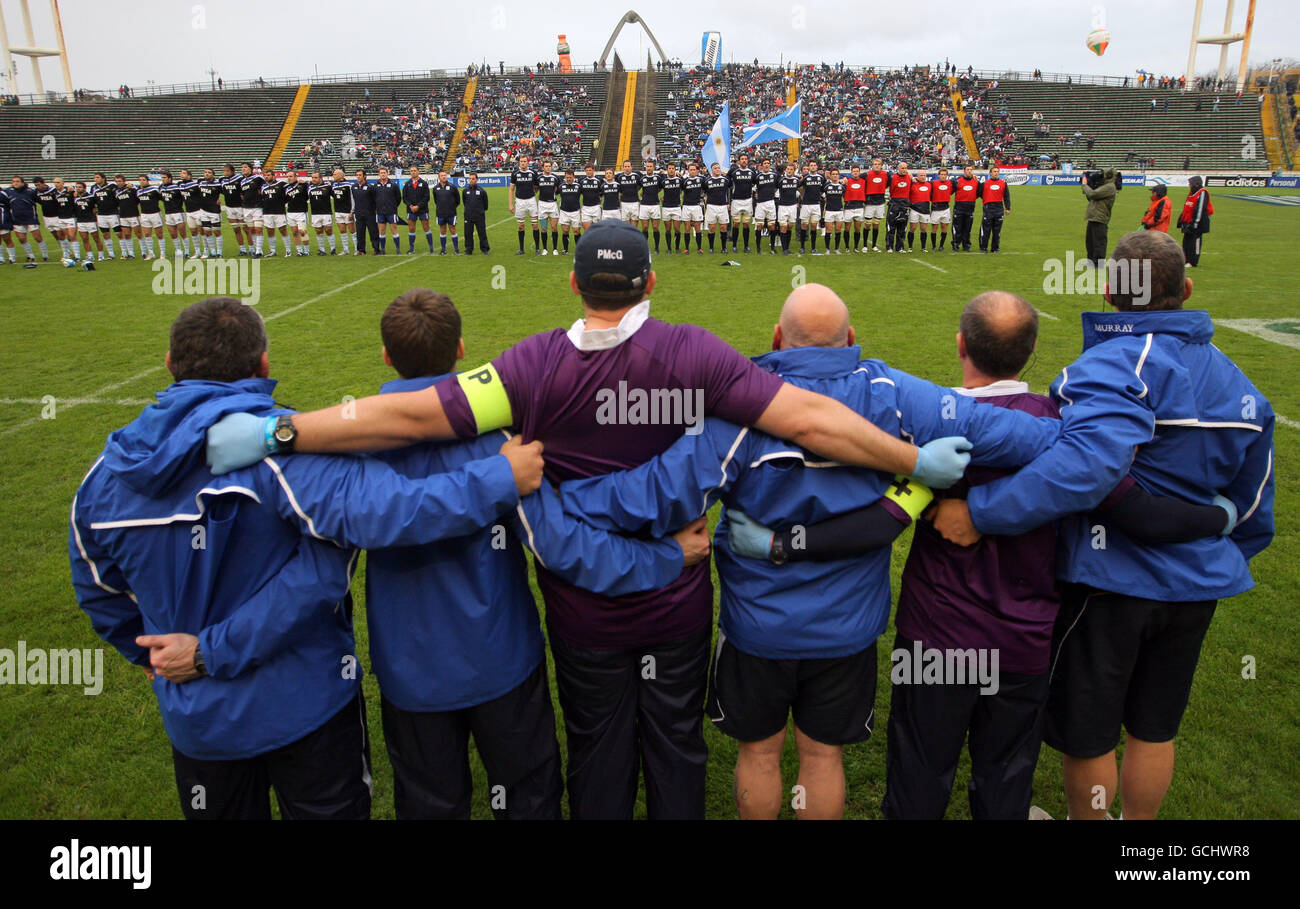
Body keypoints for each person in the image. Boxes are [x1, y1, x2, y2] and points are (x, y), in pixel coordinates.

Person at [204, 222, 976, 819]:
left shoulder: (529, 366)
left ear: (573, 282)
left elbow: (408, 416)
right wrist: (913, 468)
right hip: (677, 596)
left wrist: (285, 429)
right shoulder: (695, 354)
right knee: (674, 745)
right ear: (652, 282)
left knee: (598, 746)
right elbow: (809, 416)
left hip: (582, 609)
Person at [553, 284, 1063, 820]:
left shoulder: (741, 402)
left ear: (776, 337)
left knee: (760, 752)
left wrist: (558, 490)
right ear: (852, 339)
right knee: (823, 757)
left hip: (760, 626)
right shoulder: (894, 393)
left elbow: (655, 495)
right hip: (845, 629)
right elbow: (1024, 437)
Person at [732, 292, 1237, 820]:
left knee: (918, 772)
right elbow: (1126, 501)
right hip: (1023, 638)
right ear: (1034, 350)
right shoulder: (1068, 438)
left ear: (959, 345)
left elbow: (888, 516)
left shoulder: (923, 420)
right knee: (1005, 774)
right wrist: (1216, 518)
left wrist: (779, 545)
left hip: (937, 634)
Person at [70, 296, 547, 819]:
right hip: (307, 705)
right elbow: (364, 531)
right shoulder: (288, 454)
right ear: (263, 364)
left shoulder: (100, 481)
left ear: (168, 362)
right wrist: (500, 474)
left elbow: (100, 590)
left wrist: (155, 653)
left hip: (201, 716)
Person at [933, 231, 1275, 820]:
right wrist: (1205, 549)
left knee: (1090, 732)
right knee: (1154, 727)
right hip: (1197, 587)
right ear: (1186, 290)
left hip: (1112, 584)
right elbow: (1252, 513)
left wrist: (981, 512)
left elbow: (1082, 469)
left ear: (1110, 291)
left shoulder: (1116, 362)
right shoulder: (1242, 386)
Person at [365, 289, 709, 818]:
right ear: (462, 350)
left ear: (386, 355)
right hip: (500, 661)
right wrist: (666, 557)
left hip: (410, 672)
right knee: (527, 797)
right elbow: (561, 546)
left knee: (431, 801)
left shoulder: (355, 444)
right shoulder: (503, 447)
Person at [1081, 168, 1120, 267]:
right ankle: (1091, 261)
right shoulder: (1104, 186)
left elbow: (1092, 194)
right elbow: (1090, 197)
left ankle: (1098, 263)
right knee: (1090, 241)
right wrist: (1089, 185)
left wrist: (1084, 185)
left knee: (1099, 241)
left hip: (1100, 217)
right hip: (1093, 216)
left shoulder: (1110, 187)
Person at [1177, 175, 1213, 267]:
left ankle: (1193, 262)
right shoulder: (1191, 193)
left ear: (1196, 184)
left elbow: (1200, 209)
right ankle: (1185, 260)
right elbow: (1187, 207)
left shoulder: (1202, 193)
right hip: (1188, 222)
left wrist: (1195, 223)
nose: (1189, 185)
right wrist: (1181, 220)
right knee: (1186, 242)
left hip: (1198, 224)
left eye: (1191, 183)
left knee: (1195, 242)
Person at [507, 155, 539, 254]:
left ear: (528, 162)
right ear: (519, 162)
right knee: (521, 226)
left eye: (525, 161)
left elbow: (537, 187)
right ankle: (521, 249)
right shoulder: (515, 173)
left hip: (531, 201)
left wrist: (533, 194)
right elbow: (511, 190)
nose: (523, 163)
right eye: (521, 161)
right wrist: (511, 204)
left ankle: (537, 248)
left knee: (535, 225)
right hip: (520, 201)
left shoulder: (533, 173)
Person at [977, 165, 1009, 253]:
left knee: (997, 230)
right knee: (986, 229)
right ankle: (983, 247)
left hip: (999, 208)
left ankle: (995, 248)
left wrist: (1007, 208)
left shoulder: (1003, 183)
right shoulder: (985, 183)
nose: (996, 173)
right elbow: (979, 194)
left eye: (997, 171)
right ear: (990, 173)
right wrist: (986, 200)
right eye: (994, 171)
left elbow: (1006, 196)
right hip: (988, 208)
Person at [402, 165, 433, 254]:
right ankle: (411, 249)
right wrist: (410, 206)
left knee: (426, 227)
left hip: (422, 209)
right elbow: (404, 197)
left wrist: (418, 206)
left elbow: (426, 197)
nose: (413, 172)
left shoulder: (423, 183)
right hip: (411, 210)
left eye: (414, 170)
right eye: (411, 171)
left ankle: (431, 248)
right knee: (411, 228)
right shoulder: (407, 184)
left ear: (418, 171)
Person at [372, 166, 402, 254]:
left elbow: (398, 198)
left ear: (387, 174)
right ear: (379, 174)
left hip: (391, 211)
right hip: (380, 211)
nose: (383, 174)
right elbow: (373, 198)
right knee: (381, 230)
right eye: (381, 173)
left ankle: (398, 248)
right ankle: (383, 249)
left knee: (394, 229)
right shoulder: (375, 186)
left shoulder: (393, 185)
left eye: (384, 173)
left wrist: (393, 206)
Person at [432, 171, 460, 255]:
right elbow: (436, 201)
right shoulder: (435, 188)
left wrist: (451, 207)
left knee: (452, 229)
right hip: (440, 213)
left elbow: (458, 200)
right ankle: (443, 250)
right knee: (442, 230)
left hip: (451, 212)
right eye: (442, 176)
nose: (444, 177)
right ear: (439, 177)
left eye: (445, 175)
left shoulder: (452, 187)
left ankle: (456, 249)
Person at [461, 172, 490, 255]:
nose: (471, 180)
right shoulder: (465, 191)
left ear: (477, 180)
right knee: (468, 234)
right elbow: (464, 202)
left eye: (473, 179)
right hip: (468, 216)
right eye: (469, 179)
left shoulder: (482, 191)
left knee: (482, 233)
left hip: (479, 216)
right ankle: (468, 249)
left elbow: (486, 205)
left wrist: (479, 211)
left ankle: (484, 249)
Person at [351, 169, 378, 255]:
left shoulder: (370, 187)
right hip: (358, 214)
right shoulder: (354, 187)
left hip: (370, 213)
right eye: (357, 175)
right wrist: (352, 211)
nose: (358, 177)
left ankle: (376, 249)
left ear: (364, 176)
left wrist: (373, 210)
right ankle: (361, 250)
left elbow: (375, 200)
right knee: (360, 233)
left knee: (373, 232)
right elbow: (353, 201)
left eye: (360, 175)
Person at [329, 168, 355, 255]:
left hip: (347, 211)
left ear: (341, 175)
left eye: (335, 174)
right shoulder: (333, 185)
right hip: (337, 211)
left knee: (352, 230)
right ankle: (346, 249)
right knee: (342, 231)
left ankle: (357, 249)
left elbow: (353, 199)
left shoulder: (348, 185)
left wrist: (352, 211)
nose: (333, 175)